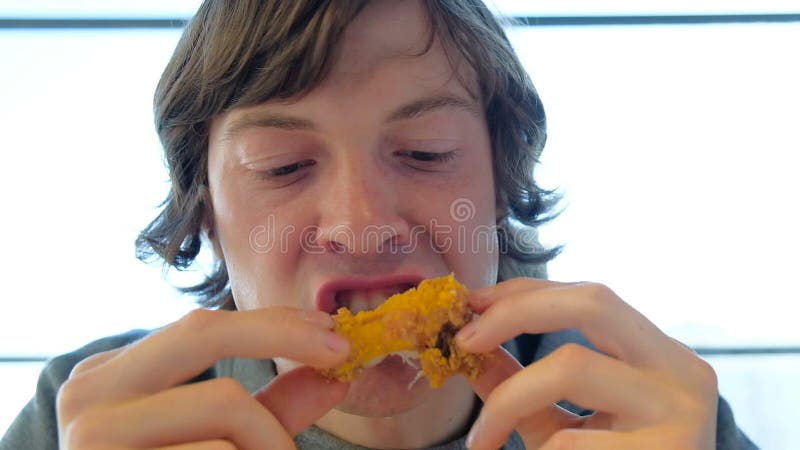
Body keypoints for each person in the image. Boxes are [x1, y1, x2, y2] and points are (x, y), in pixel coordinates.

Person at [2, 1, 758, 449]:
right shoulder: (89, 418)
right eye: (282, 166)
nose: (361, 227)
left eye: (426, 152)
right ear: (204, 209)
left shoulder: (649, 410)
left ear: (502, 182)